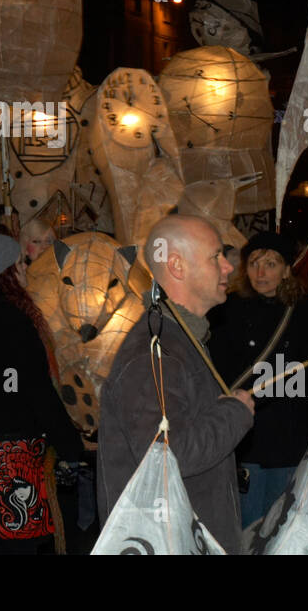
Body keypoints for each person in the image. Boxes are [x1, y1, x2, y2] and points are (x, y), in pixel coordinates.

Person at [98, 215, 255, 553]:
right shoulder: (154, 352)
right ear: (177, 266)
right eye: (216, 257)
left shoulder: (182, 339)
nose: (228, 267)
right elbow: (168, 455)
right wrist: (235, 413)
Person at [0, 232, 84, 553]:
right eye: (20, 263)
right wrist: (69, 445)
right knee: (21, 543)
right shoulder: (12, 319)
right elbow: (34, 389)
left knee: (9, 541)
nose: (26, 268)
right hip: (16, 453)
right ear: (6, 272)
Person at [206, 232, 308, 527]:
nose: (261, 272)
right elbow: (217, 371)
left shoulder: (302, 309)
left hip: (289, 432)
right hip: (247, 430)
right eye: (255, 263)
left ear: (286, 270)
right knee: (246, 520)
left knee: (280, 520)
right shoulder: (228, 308)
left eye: (271, 264)